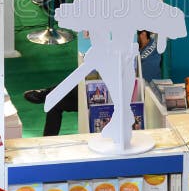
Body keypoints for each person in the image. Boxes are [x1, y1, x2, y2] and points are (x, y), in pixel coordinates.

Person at [24, 30, 162, 136]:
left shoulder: (146, 59)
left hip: (116, 98)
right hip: (109, 90)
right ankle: (47, 138)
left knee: (60, 98)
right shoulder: (147, 49)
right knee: (57, 101)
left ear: (143, 35)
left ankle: (45, 95)